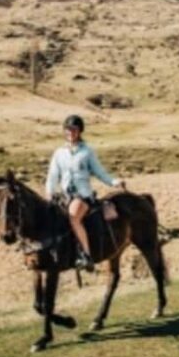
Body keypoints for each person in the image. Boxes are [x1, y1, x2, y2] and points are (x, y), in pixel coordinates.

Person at [45, 115, 125, 272]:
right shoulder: (59, 153)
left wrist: (114, 182)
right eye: (68, 129)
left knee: (73, 217)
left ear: (80, 131)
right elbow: (52, 176)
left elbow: (100, 172)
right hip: (64, 197)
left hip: (83, 196)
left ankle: (86, 256)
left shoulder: (87, 152)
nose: (71, 132)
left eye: (74, 130)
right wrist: (49, 193)